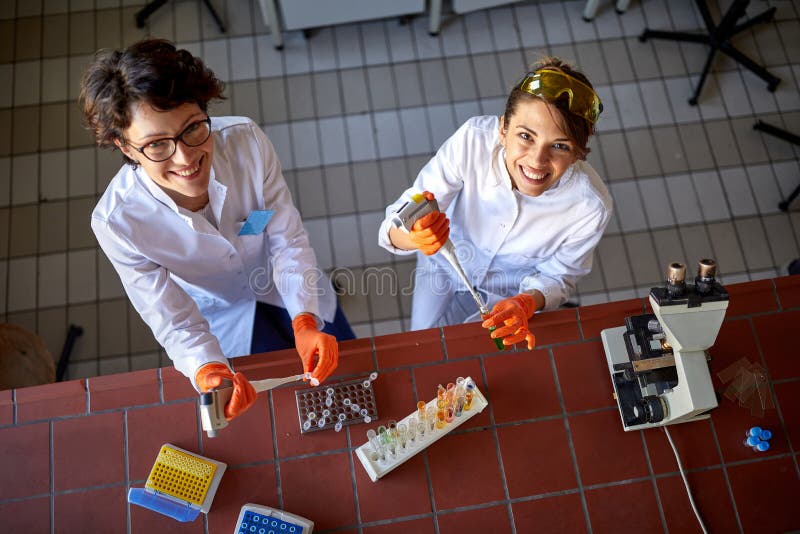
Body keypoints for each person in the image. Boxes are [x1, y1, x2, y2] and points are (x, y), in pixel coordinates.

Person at [81, 39, 354, 422]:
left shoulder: (245, 142)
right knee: (285, 416)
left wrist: (305, 320)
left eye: (193, 128)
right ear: (124, 147)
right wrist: (209, 371)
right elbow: (172, 318)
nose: (186, 158)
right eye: (157, 145)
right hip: (222, 317)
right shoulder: (118, 223)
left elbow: (286, 239)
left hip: (288, 288)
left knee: (352, 379)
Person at [378, 57, 613, 349]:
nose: (537, 161)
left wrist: (527, 302)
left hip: (508, 295)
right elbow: (396, 222)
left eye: (560, 146)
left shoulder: (590, 206)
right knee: (422, 344)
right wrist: (415, 237)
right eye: (526, 136)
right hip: (442, 267)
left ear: (578, 153)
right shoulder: (472, 141)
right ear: (503, 129)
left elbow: (560, 276)